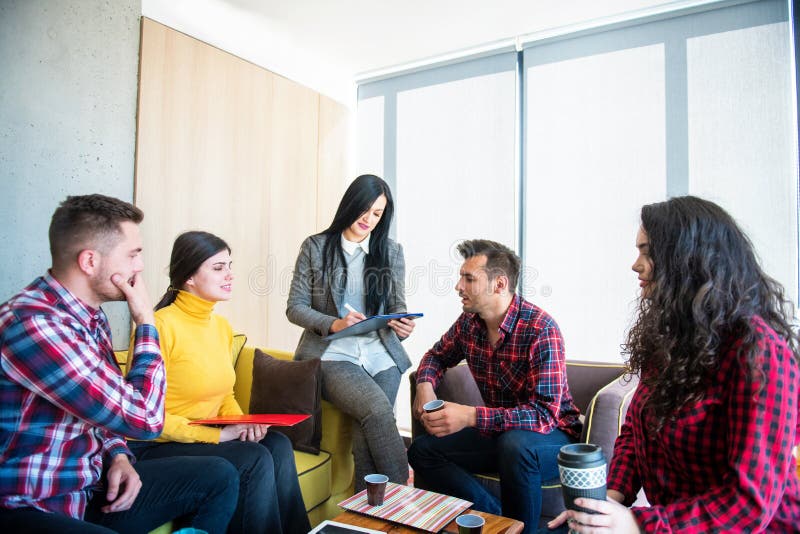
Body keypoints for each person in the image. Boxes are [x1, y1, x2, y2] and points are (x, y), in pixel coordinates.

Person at [548, 196, 800, 533]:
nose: (635, 265)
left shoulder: (760, 355)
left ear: (689, 259)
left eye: (647, 252)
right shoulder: (672, 338)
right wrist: (609, 501)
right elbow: (636, 431)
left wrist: (637, 523)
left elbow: (749, 504)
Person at [0, 194, 239, 534]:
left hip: (87, 488)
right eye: (132, 254)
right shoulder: (35, 325)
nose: (139, 266)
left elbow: (106, 409)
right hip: (33, 504)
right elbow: (144, 419)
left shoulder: (89, 318)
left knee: (218, 476)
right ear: (89, 261)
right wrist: (145, 320)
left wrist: (119, 456)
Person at [127, 231, 311, 534]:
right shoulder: (158, 326)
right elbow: (144, 416)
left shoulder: (221, 327)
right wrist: (219, 436)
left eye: (229, 266)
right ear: (189, 277)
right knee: (253, 457)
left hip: (203, 436)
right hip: (158, 444)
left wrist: (243, 424)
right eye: (218, 268)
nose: (230, 275)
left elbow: (224, 393)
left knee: (277, 444)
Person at [408, 239, 582, 534]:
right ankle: (498, 521)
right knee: (421, 450)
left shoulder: (542, 329)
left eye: (469, 279)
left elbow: (543, 415)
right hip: (501, 433)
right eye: (461, 277)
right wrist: (425, 384)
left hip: (553, 438)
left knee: (515, 445)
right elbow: (436, 356)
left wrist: (470, 416)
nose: (458, 287)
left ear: (499, 284)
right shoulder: (469, 323)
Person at [287, 174, 416, 491]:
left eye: (377, 214)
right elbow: (295, 307)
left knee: (365, 432)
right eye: (365, 209)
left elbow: (398, 306)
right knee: (376, 410)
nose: (369, 219)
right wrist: (335, 324)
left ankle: (368, 513)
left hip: (381, 353)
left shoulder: (391, 252)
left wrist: (402, 324)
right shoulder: (316, 247)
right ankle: (406, 495)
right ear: (351, 204)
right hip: (333, 353)